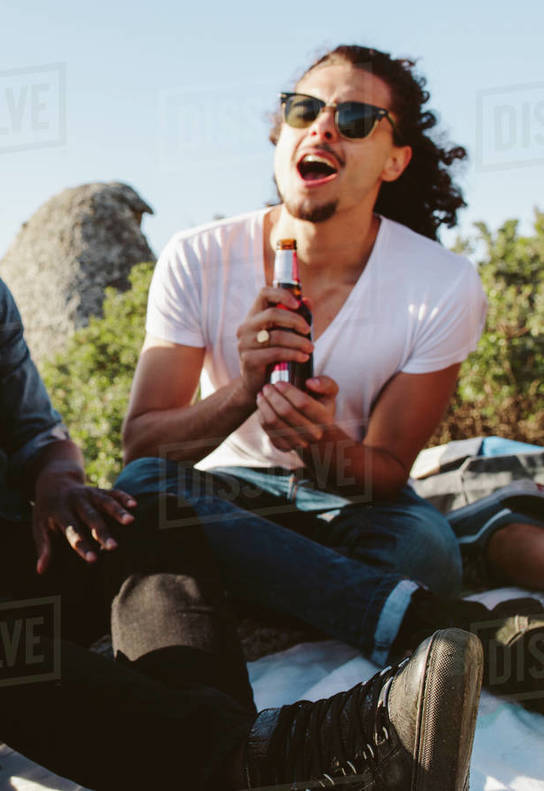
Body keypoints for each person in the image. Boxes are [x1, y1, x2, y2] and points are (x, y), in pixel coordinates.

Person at [0, 55, 489, 791]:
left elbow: (39, 431)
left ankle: (230, 750)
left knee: (147, 509)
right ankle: (249, 759)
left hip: (7, 557)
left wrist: (61, 484)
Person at [120, 44, 544, 706]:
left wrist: (320, 442)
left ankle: (305, 583)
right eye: (304, 108)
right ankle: (425, 622)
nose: (321, 126)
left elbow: (385, 469)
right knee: (143, 488)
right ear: (280, 133)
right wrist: (242, 392)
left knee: (423, 545)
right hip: (230, 493)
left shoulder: (441, 283)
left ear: (396, 159)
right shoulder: (198, 256)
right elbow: (143, 445)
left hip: (352, 502)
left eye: (352, 119)